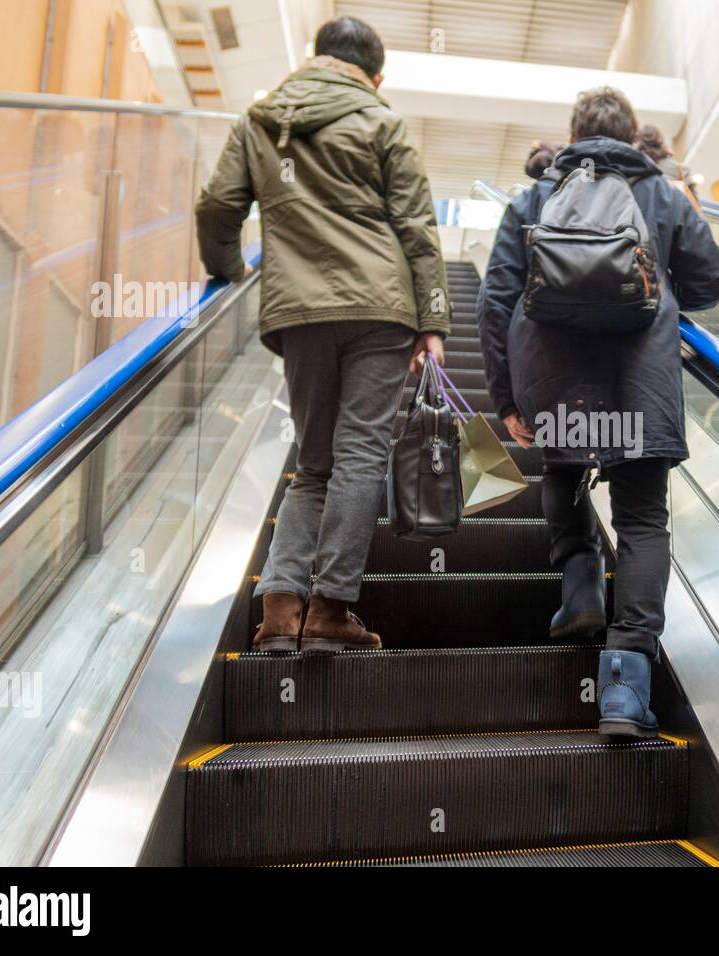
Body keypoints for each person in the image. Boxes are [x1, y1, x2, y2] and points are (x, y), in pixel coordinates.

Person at [479, 88, 719, 737]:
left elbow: (496, 298)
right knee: (643, 519)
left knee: (562, 471)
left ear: (572, 133)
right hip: (639, 380)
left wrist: (506, 398)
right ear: (633, 134)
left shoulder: (535, 197)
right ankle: (623, 686)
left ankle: (581, 586)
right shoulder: (663, 195)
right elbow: (711, 281)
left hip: (553, 375)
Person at [196, 16, 450, 655]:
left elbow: (217, 205)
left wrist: (228, 273)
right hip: (381, 306)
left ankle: (281, 610)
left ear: (316, 59)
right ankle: (332, 610)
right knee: (361, 450)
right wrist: (434, 321)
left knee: (314, 462)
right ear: (376, 74)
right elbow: (417, 225)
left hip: (299, 310)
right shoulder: (383, 121)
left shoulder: (261, 121)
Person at [634, 124, 701, 208]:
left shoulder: (634, 168)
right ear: (660, 141)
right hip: (674, 216)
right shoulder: (680, 169)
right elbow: (695, 204)